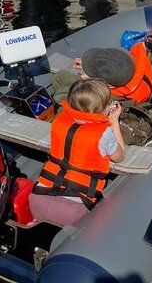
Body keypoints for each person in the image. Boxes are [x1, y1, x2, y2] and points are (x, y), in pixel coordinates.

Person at [29, 78, 125, 227]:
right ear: (103, 108)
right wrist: (114, 121)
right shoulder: (103, 134)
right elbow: (120, 157)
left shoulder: (59, 120)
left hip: (38, 198)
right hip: (73, 210)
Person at [74, 44, 152, 105]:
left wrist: (83, 79)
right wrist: (90, 63)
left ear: (108, 85)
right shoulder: (140, 63)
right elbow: (113, 61)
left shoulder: (118, 99)